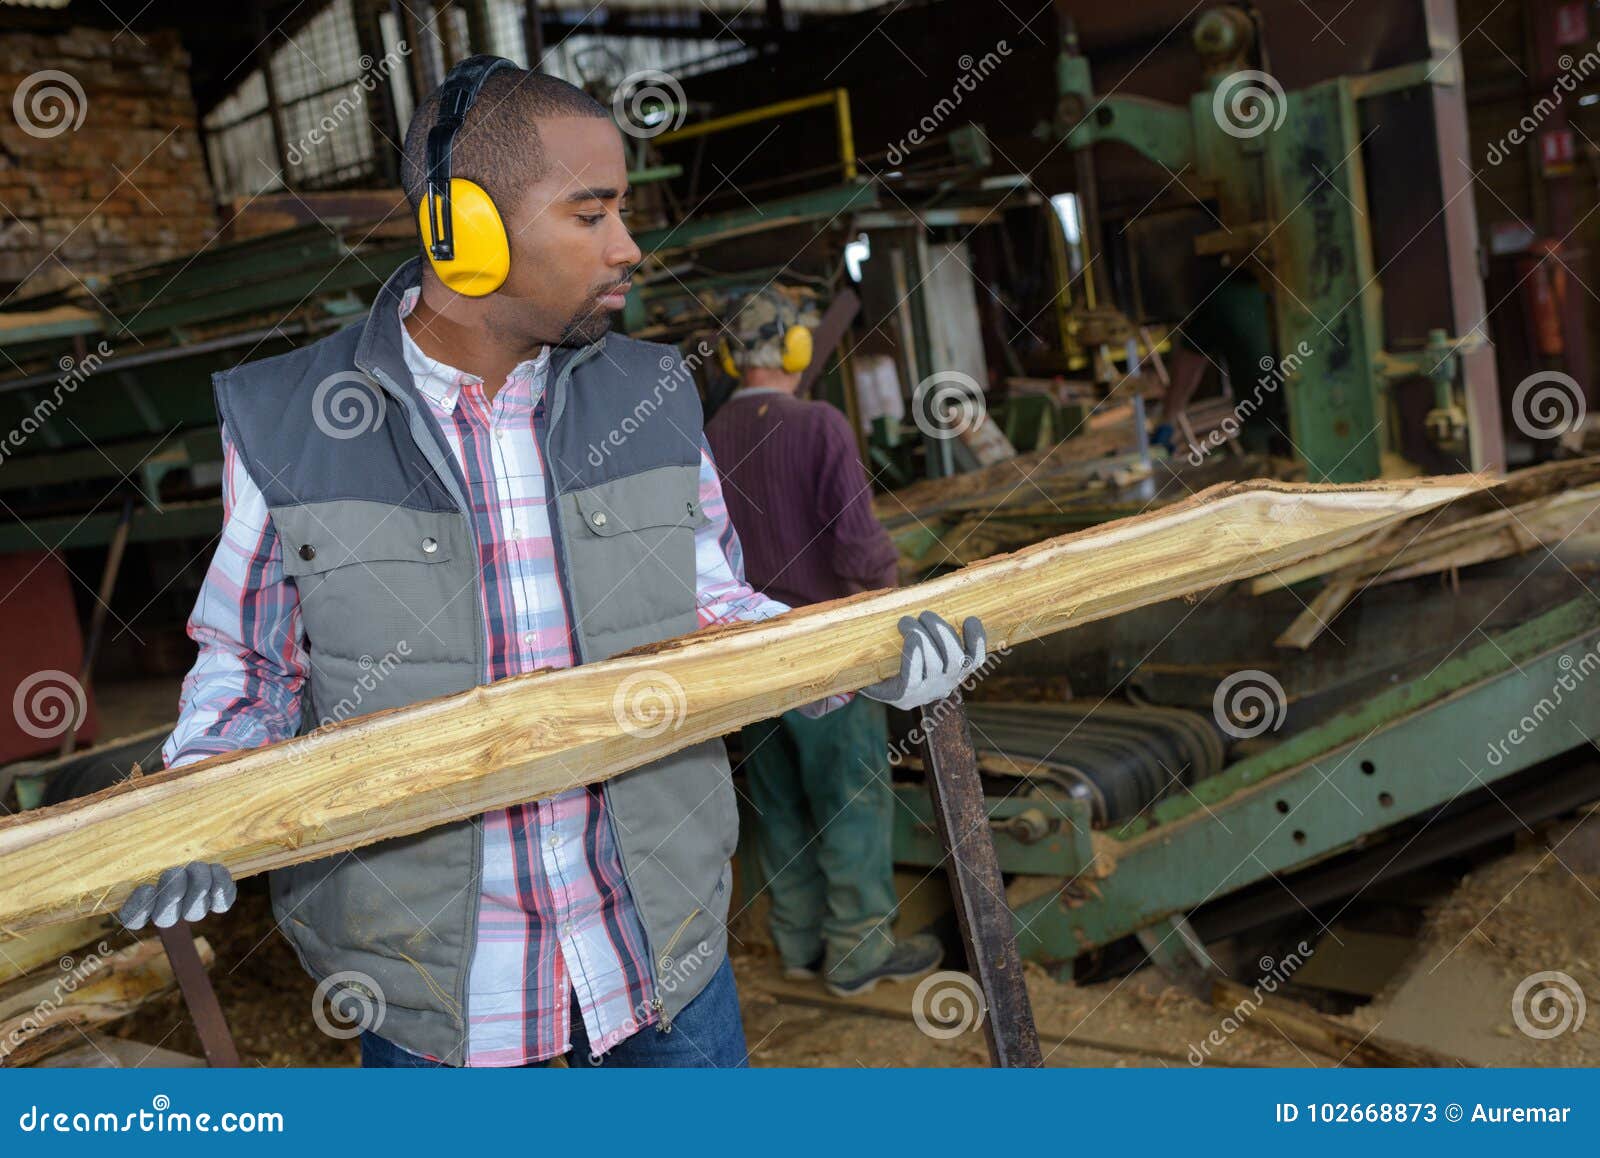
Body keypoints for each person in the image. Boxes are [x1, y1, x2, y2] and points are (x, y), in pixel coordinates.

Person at [116, 58, 986, 1069]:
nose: (629, 249)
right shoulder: (289, 419)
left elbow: (711, 609)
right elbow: (250, 665)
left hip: (663, 968)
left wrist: (860, 657)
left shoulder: (654, 392)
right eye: (591, 215)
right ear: (462, 229)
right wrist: (188, 817)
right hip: (441, 1000)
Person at [705, 288, 942, 997]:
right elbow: (860, 547)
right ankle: (858, 950)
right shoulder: (820, 424)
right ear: (798, 351)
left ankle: (798, 946)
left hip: (748, 659)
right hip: (829, 649)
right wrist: (890, 613)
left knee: (779, 802)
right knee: (851, 797)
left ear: (729, 356)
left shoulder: (706, 435)